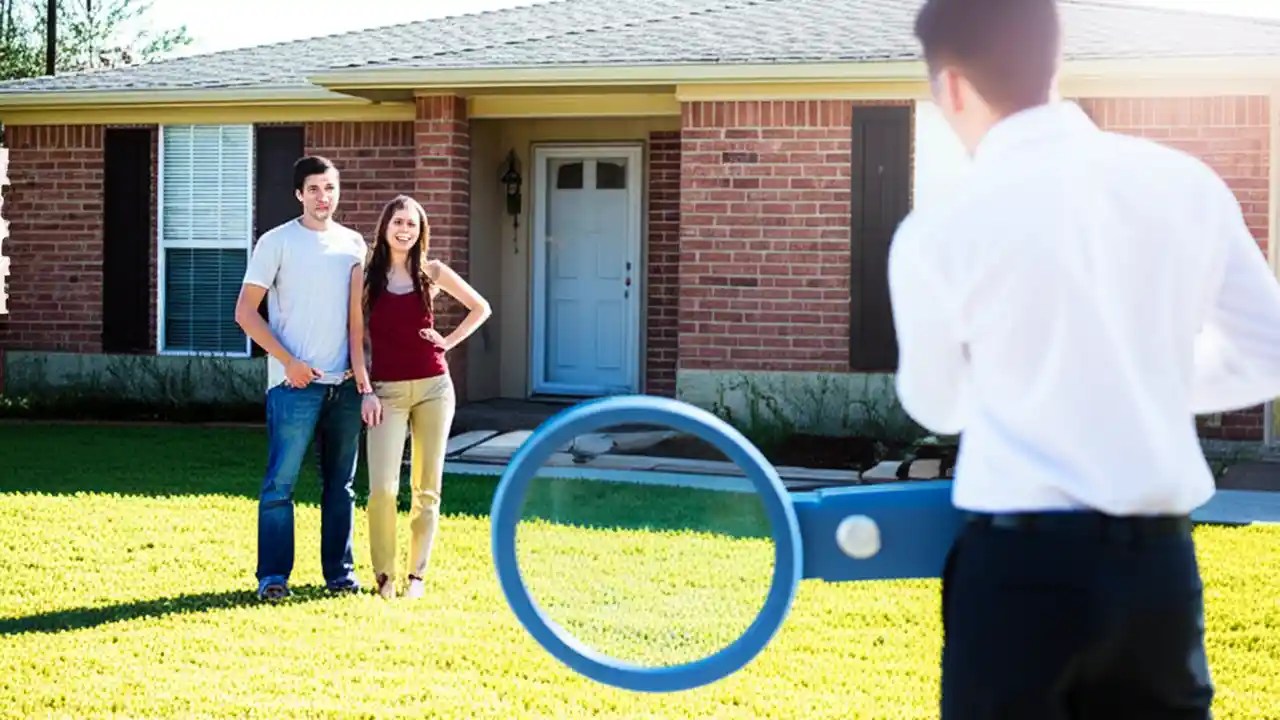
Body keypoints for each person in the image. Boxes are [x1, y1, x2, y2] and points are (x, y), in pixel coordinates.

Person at [888, 0, 1280, 717]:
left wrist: (1046, 384)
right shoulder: (1185, 183)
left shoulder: (937, 227)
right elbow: (1269, 353)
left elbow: (937, 405)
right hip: (1157, 575)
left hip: (1016, 576)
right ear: (1054, 63)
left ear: (949, 86)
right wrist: (1139, 381)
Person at [235, 155, 368, 602]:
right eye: (313, 189)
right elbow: (245, 313)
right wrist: (288, 361)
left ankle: (340, 575)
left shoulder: (354, 245)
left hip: (345, 386)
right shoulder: (277, 242)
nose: (322, 197)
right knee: (280, 484)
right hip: (293, 386)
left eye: (329, 188)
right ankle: (273, 577)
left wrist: (362, 372)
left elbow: (358, 319)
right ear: (298, 194)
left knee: (341, 485)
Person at [356, 194, 491, 600]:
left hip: (435, 387)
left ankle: (416, 577)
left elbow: (480, 307)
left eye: (412, 224)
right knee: (382, 487)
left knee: (426, 488)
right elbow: (358, 339)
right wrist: (365, 389)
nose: (404, 229)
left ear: (420, 231)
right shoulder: (366, 278)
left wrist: (446, 342)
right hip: (386, 393)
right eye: (397, 221)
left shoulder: (431, 272)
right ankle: (384, 576)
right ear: (385, 227)